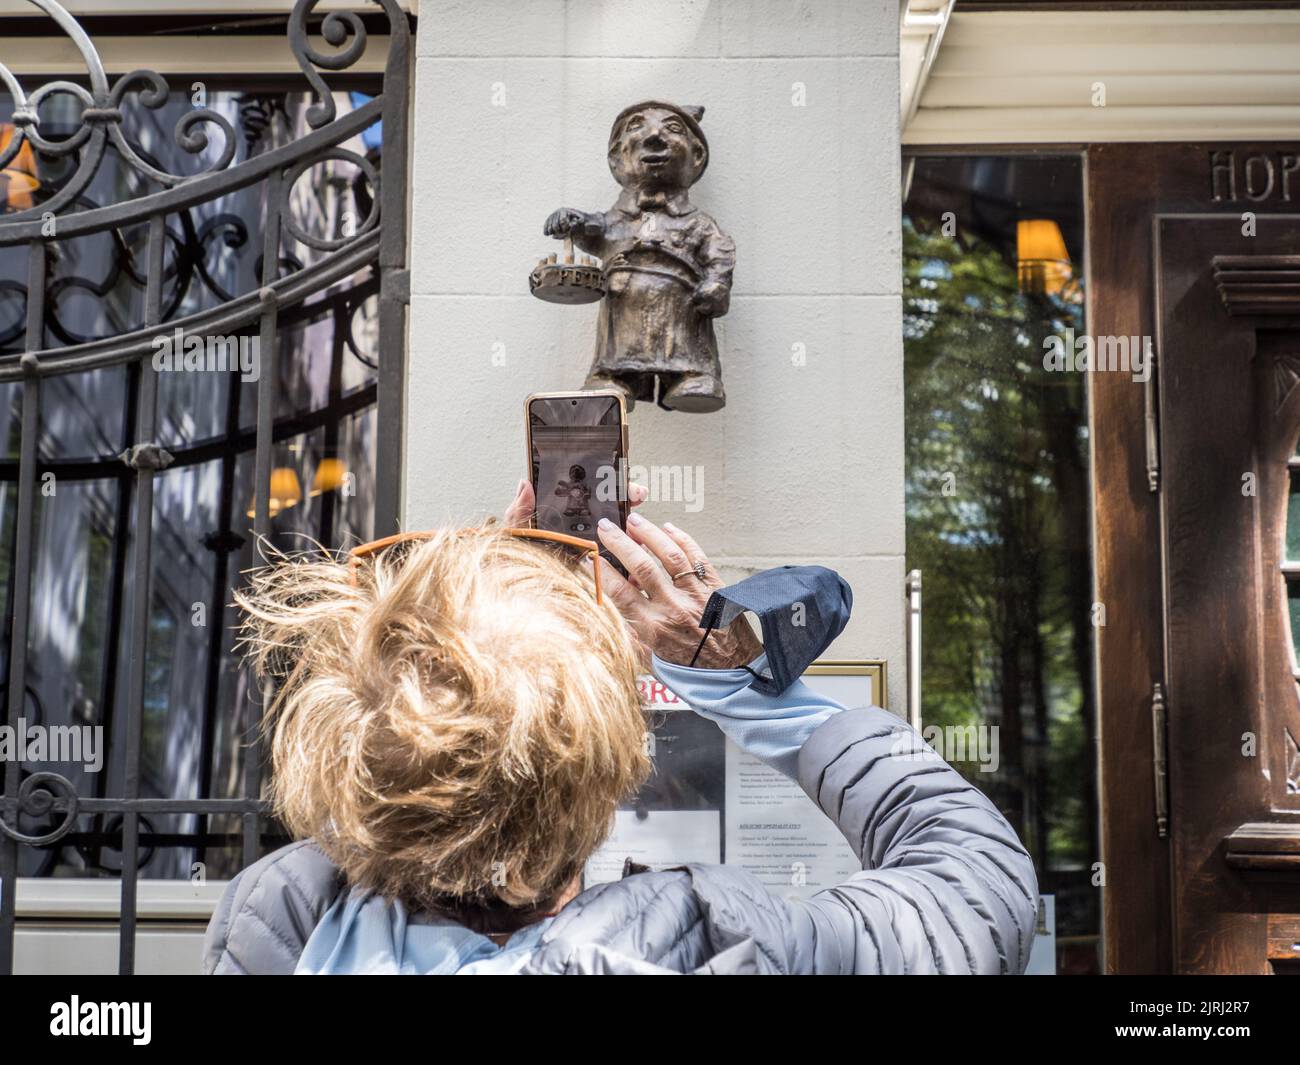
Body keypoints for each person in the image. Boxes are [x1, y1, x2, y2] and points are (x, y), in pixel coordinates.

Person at [203, 482, 1038, 975]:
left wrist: (476, 616)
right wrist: (733, 678)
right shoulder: (716, 937)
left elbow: (401, 766)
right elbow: (976, 883)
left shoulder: (281, 923)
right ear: (607, 771)